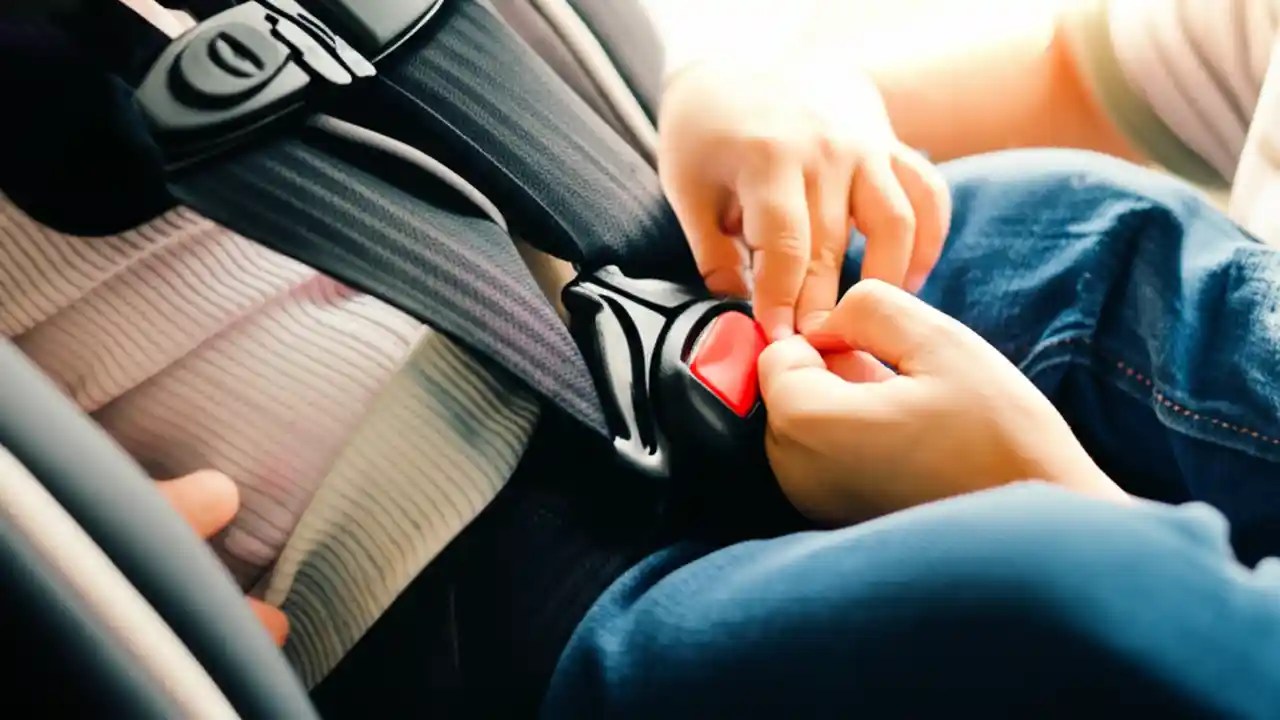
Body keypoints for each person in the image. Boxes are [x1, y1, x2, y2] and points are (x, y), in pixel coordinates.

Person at [3, 0, 1280, 717]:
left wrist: (744, 96)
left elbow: (617, 74)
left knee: (1105, 239)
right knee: (1053, 592)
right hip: (439, 589)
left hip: (691, 276)